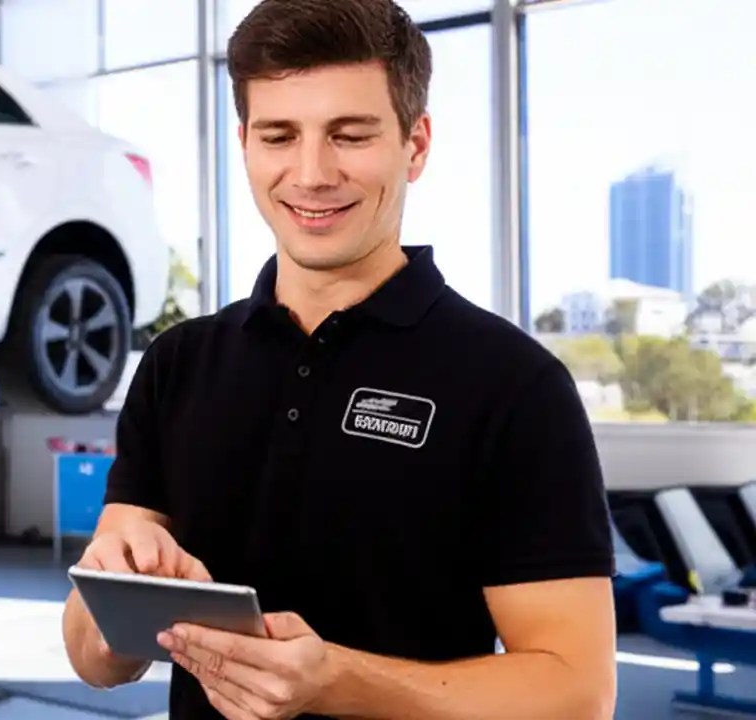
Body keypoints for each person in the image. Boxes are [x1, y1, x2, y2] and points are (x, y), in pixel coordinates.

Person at [62, 0, 618, 718]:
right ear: (245, 144)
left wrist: (334, 680)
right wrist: (124, 587)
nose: (312, 172)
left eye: (350, 135)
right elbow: (93, 658)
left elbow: (577, 694)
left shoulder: (514, 385)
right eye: (279, 136)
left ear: (415, 145)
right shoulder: (178, 365)